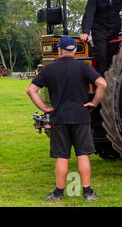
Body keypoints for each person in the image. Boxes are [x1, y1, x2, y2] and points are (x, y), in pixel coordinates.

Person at [26, 36, 107, 202]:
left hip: (59, 117)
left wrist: (44, 108)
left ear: (59, 50)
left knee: (62, 156)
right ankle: (87, 193)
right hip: (81, 116)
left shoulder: (49, 69)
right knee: (83, 154)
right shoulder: (83, 67)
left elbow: (31, 90)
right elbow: (103, 84)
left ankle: (58, 193)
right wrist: (94, 102)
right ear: (75, 50)